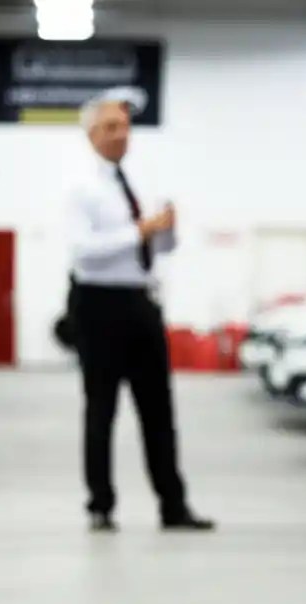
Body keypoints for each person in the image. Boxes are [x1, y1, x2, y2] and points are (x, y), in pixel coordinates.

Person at [65, 89, 214, 533]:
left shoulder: (137, 185)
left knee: (159, 410)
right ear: (92, 134)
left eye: (125, 127)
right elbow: (83, 253)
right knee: (101, 408)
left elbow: (160, 248)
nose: (120, 135)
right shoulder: (82, 189)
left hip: (141, 302)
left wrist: (165, 230)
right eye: (111, 127)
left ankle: (173, 504)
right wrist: (140, 230)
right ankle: (100, 504)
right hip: (97, 304)